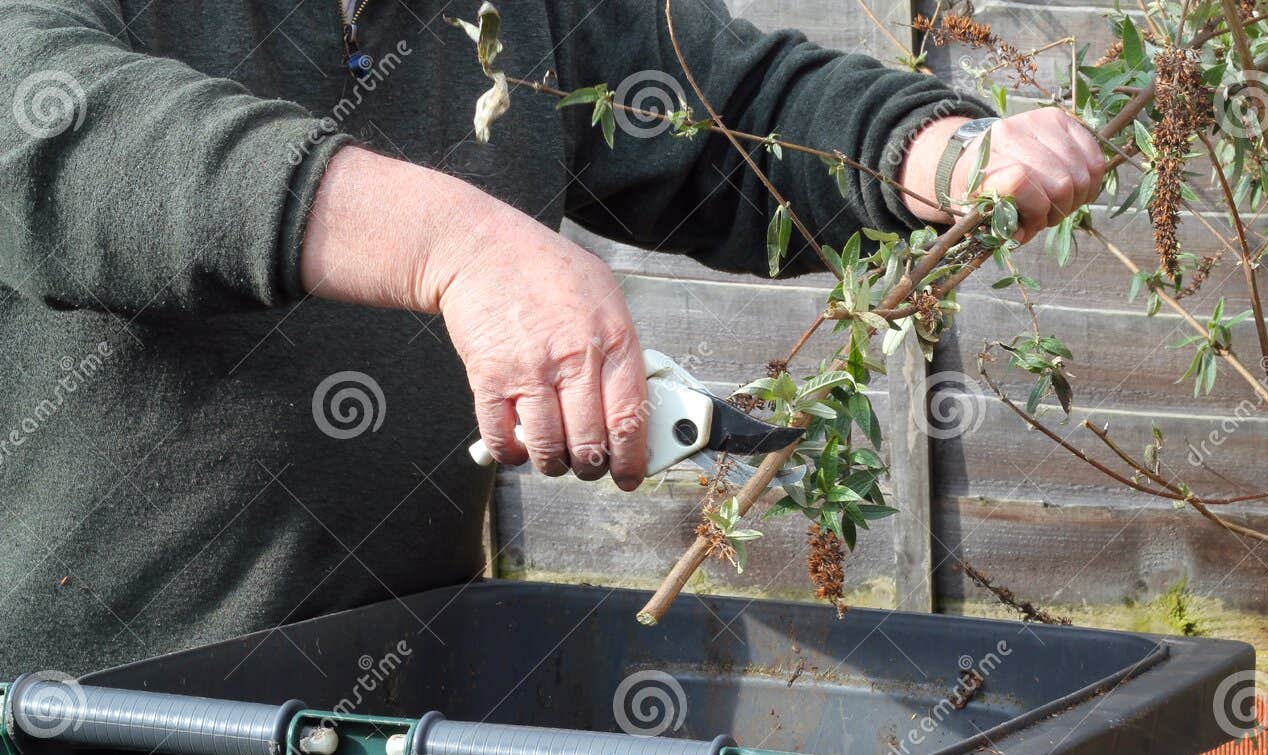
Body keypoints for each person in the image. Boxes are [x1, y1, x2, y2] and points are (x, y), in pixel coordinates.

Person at [0, 1, 1106, 677]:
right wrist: (455, 242)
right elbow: (48, 123)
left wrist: (922, 150)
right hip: (72, 752)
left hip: (386, 707)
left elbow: (709, 103)